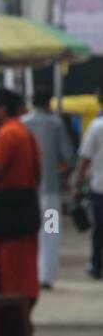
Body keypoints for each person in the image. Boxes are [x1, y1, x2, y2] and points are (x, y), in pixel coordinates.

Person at [0, 88, 42, 302]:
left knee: (8, 283)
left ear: (2, 109)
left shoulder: (8, 134)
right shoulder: (22, 132)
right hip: (26, 209)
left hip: (7, 221)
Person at [21, 85, 76, 288]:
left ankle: (28, 275)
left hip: (26, 191)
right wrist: (62, 172)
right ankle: (46, 277)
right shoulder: (56, 124)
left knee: (28, 232)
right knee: (50, 232)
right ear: (48, 102)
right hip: (50, 191)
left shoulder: (21, 124)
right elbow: (69, 157)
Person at [71, 86, 103, 279]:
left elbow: (84, 159)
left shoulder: (97, 126)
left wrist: (76, 184)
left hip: (99, 187)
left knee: (99, 228)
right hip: (97, 185)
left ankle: (97, 265)